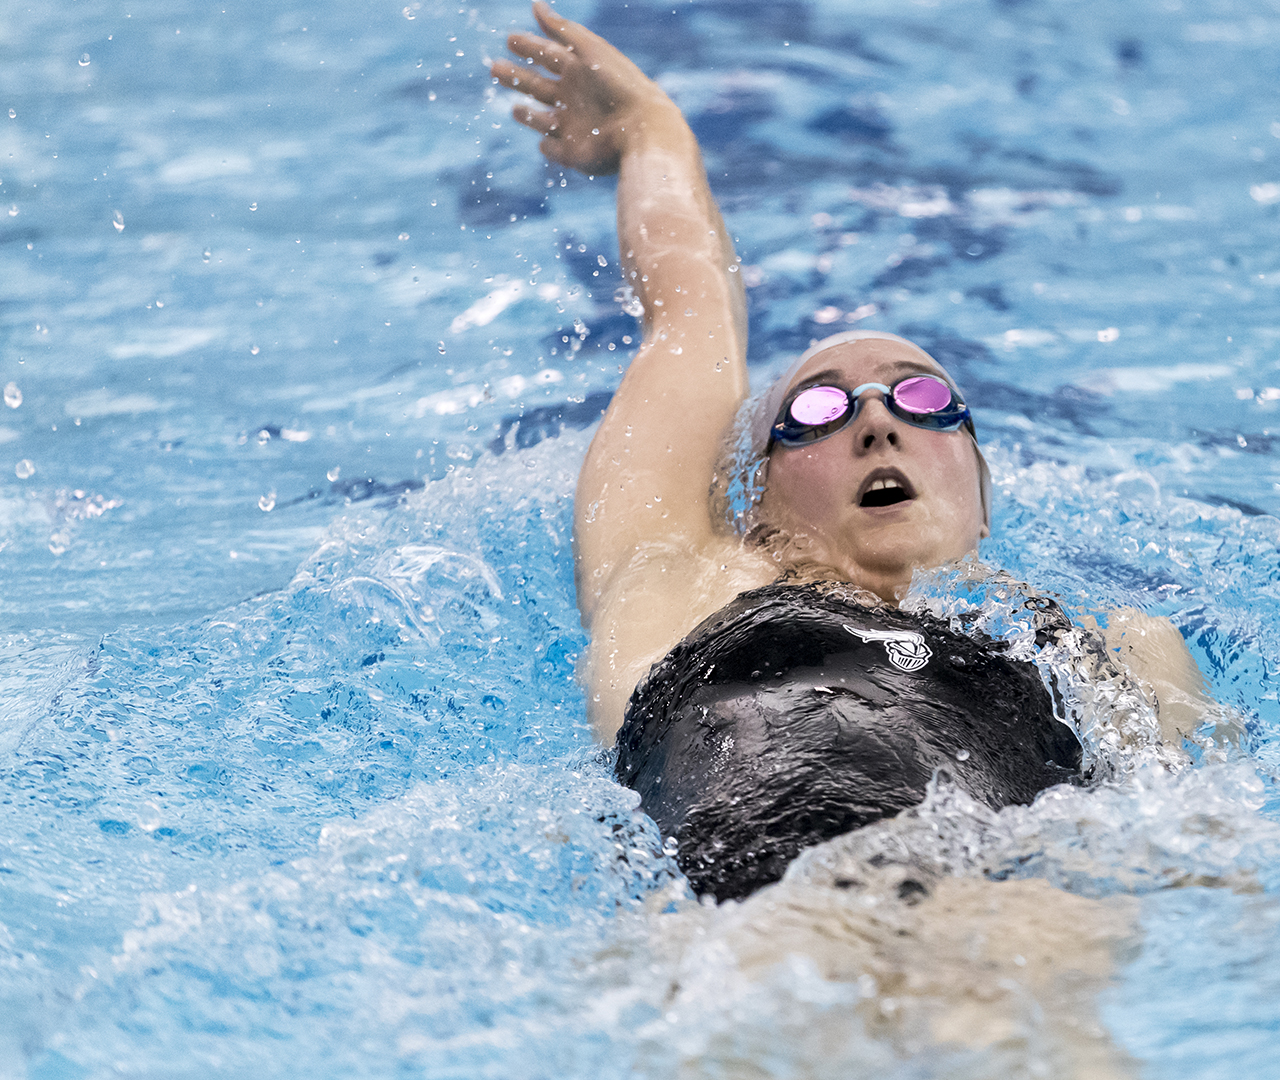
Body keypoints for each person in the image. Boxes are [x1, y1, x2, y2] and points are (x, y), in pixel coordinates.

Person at [489, 2, 1213, 903]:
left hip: (1006, 905)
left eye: (922, 399)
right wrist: (653, 134)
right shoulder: (682, 579)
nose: (876, 425)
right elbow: (690, 321)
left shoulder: (1108, 654)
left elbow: (1199, 850)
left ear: (981, 493)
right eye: (818, 411)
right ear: (754, 500)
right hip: (752, 911)